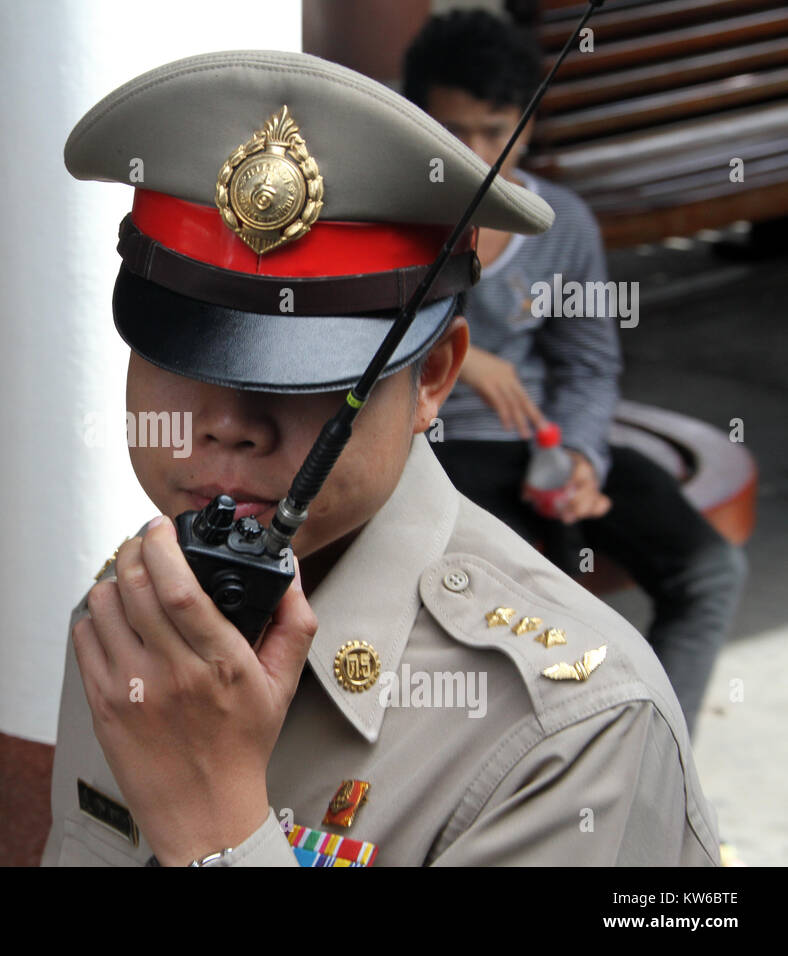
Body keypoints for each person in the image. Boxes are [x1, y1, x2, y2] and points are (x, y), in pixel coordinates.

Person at [40, 49, 720, 866]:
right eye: (181, 351)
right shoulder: (131, 615)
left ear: (431, 375)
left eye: (303, 376)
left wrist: (216, 833)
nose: (226, 425)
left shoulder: (575, 731)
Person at [403, 10, 748, 736]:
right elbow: (347, 351)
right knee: (550, 601)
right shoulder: (395, 220)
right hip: (435, 447)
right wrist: (458, 361)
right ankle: (558, 777)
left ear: (527, 126)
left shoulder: (561, 222)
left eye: (494, 132)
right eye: (453, 131)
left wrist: (584, 457)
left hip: (546, 443)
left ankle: (656, 764)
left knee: (708, 571)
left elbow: (589, 365)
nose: (476, 153)